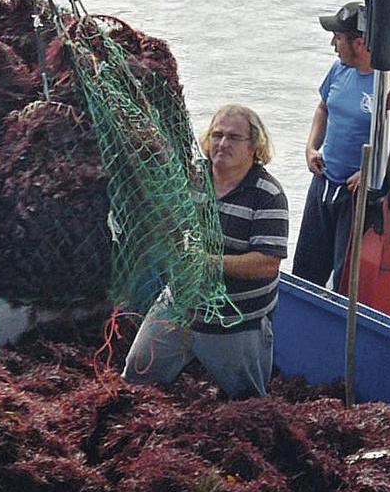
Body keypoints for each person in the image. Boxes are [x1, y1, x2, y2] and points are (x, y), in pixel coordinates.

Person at [123, 105, 289, 398]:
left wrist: (208, 263)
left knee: (246, 401)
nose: (222, 143)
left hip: (236, 320)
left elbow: (266, 263)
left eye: (233, 137)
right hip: (178, 306)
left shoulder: (268, 194)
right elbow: (168, 226)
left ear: (254, 146)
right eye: (217, 135)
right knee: (136, 377)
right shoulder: (189, 178)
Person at [291, 1, 375, 289]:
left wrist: (370, 172)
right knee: (305, 269)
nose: (333, 45)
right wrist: (311, 148)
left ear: (359, 43)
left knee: (344, 277)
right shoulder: (339, 71)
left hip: (354, 194)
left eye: (338, 38)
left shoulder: (386, 85)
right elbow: (323, 108)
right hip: (323, 180)